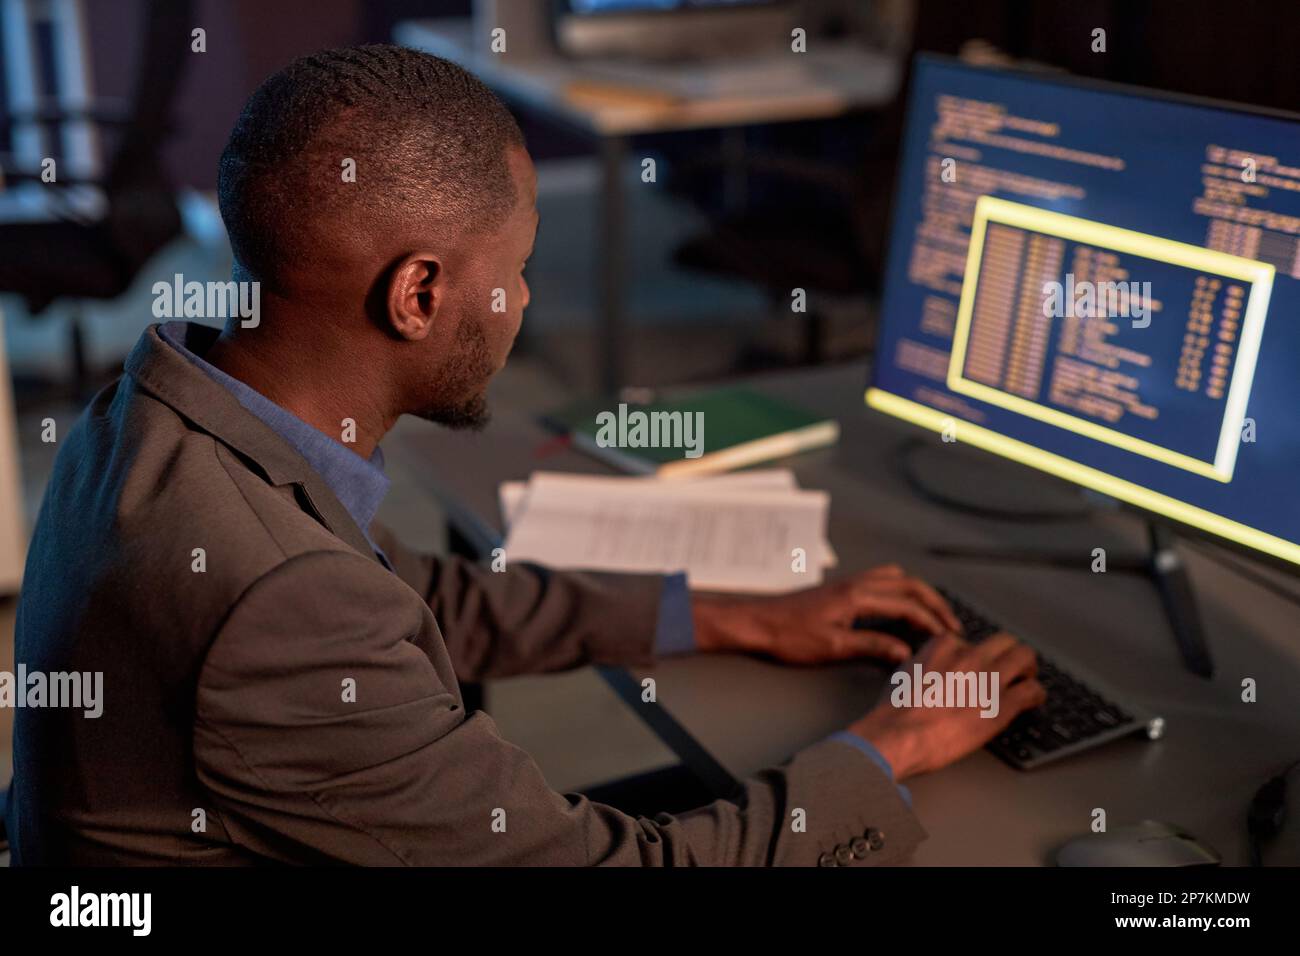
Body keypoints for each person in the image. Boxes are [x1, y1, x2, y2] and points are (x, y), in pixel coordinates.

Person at [8, 45, 1044, 866]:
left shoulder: (159, 406)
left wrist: (739, 614)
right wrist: (891, 744)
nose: (530, 302)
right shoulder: (279, 599)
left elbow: (421, 601)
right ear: (419, 295)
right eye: (519, 271)